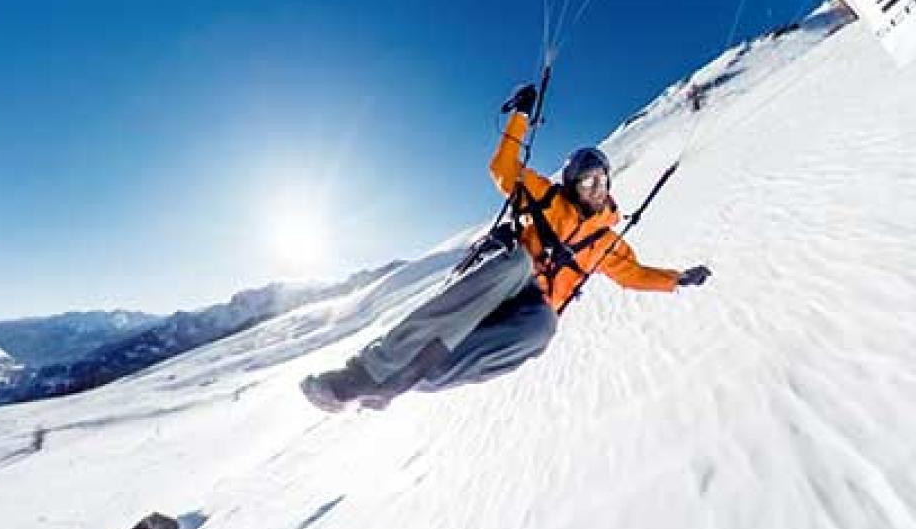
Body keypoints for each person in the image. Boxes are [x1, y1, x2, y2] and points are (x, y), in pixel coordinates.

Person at [300, 83, 712, 412]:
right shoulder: (547, 198)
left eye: (602, 180)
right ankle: (366, 371)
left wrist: (677, 280)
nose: (597, 189)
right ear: (572, 184)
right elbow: (503, 169)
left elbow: (634, 275)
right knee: (518, 263)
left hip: (532, 307)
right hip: (506, 279)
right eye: (588, 181)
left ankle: (405, 381)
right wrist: (520, 117)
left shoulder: (606, 241)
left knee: (543, 329)